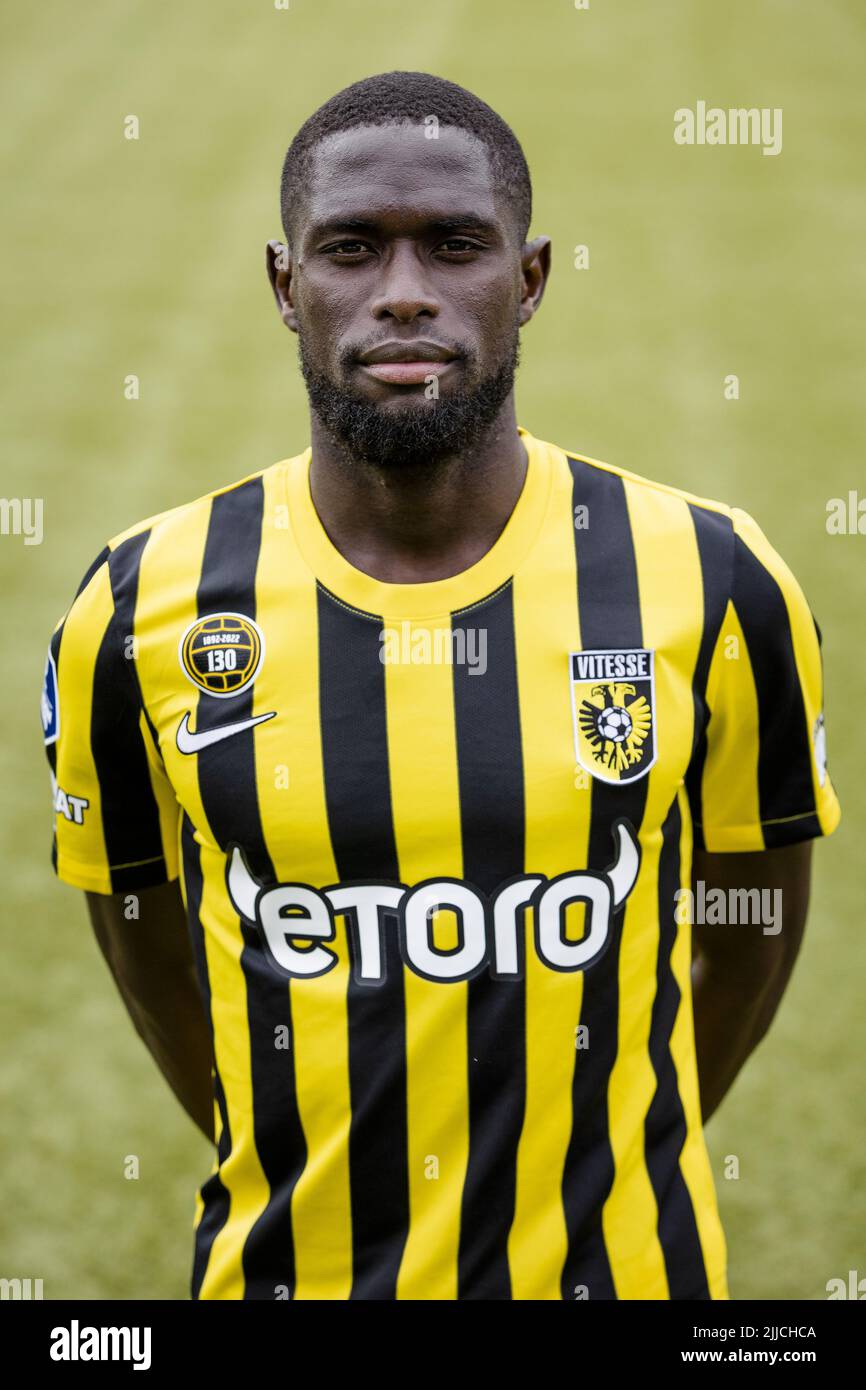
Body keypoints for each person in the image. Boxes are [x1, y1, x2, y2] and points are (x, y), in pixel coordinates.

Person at [42, 70, 840, 1301]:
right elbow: (138, 924)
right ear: (282, 282)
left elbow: (752, 906)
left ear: (528, 278)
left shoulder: (714, 576)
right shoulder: (139, 604)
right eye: (350, 249)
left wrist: (612, 1140)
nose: (403, 295)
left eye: (455, 247)